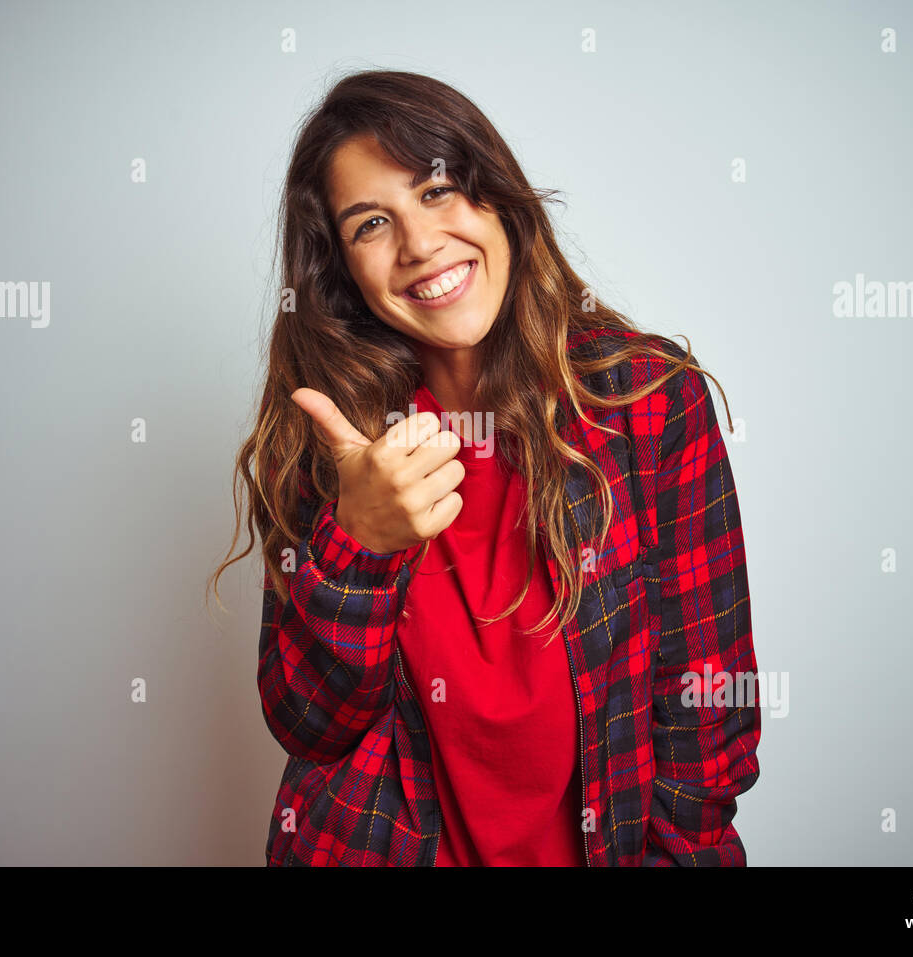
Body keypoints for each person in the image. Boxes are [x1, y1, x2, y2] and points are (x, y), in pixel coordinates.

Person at [209, 69, 761, 866]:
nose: (420, 244)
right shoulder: (339, 438)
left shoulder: (648, 402)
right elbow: (307, 722)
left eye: (437, 191)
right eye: (371, 224)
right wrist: (356, 545)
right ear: (341, 269)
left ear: (497, 197)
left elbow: (707, 712)